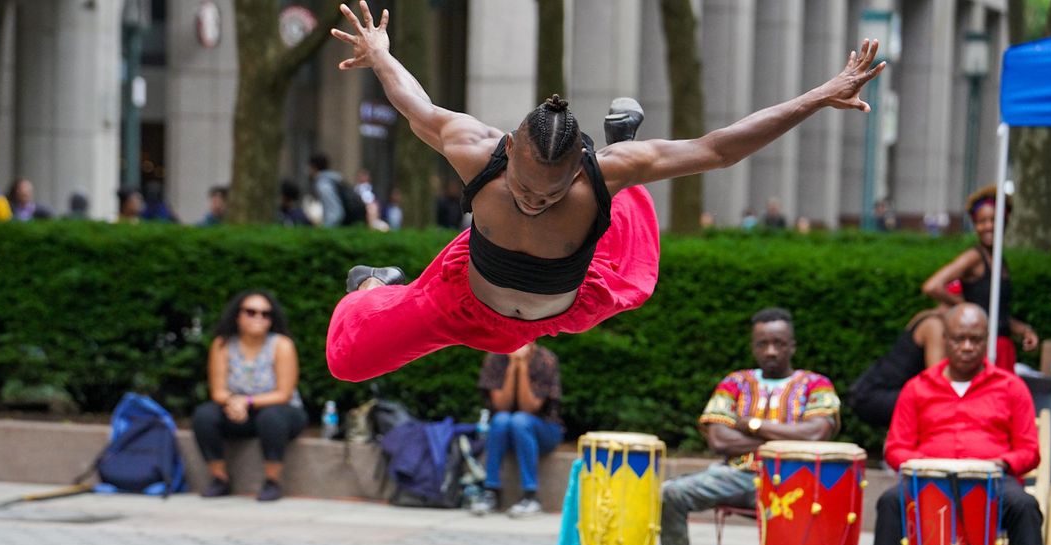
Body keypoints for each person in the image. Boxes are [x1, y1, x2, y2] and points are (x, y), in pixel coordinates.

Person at [325, 2, 883, 383]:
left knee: (632, 254)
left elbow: (719, 150)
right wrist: (381, 54)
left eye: (551, 193)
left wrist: (817, 96)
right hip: (466, 305)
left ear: (577, 167)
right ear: (509, 150)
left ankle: (624, 137)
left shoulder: (600, 173)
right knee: (346, 361)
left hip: (566, 305)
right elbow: (415, 105)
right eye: (524, 187)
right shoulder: (473, 148)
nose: (534, 201)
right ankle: (375, 282)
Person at [860, 304, 1048, 545]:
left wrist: (999, 463)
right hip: (928, 484)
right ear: (945, 339)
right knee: (889, 503)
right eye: (959, 339)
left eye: (975, 340)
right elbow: (896, 447)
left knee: (1025, 506)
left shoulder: (1011, 386)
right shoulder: (917, 387)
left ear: (986, 341)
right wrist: (927, 466)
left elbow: (1029, 450)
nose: (967, 347)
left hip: (991, 483)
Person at [659, 308, 840, 545]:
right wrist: (786, 437)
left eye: (779, 343)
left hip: (794, 485)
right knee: (671, 493)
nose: (771, 351)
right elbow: (719, 439)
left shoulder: (817, 385)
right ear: (753, 346)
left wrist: (753, 426)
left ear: (792, 346)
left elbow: (818, 432)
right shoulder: (735, 383)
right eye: (762, 344)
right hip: (737, 477)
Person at [192, 290, 308, 502]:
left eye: (266, 314)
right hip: (237, 412)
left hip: (281, 413)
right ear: (237, 315)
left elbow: (283, 394)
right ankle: (219, 479)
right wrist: (234, 403)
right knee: (204, 415)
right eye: (251, 312)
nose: (259, 318)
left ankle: (272, 481)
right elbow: (218, 391)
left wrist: (246, 401)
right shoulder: (222, 344)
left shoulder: (282, 345)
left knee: (271, 417)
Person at [921, 185, 1038, 372]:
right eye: (981, 221)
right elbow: (932, 286)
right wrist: (967, 307)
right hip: (984, 349)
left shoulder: (999, 260)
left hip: (1003, 348)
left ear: (1005, 221)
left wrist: (1024, 330)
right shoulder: (974, 257)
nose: (988, 226)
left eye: (994, 220)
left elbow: (996, 315)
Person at [470, 340, 564, 518]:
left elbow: (529, 408)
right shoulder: (495, 357)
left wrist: (522, 366)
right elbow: (502, 406)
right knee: (501, 420)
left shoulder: (545, 359)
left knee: (520, 420)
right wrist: (513, 366)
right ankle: (491, 491)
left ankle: (530, 495)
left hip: (544, 430)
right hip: (506, 430)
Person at [847, 307, 946, 428]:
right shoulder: (934, 325)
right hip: (875, 394)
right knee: (935, 401)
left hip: (870, 390)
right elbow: (938, 381)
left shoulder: (926, 316)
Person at [308, 153, 347, 228]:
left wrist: (325, 229)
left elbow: (335, 212)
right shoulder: (333, 180)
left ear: (314, 167)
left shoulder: (323, 184)